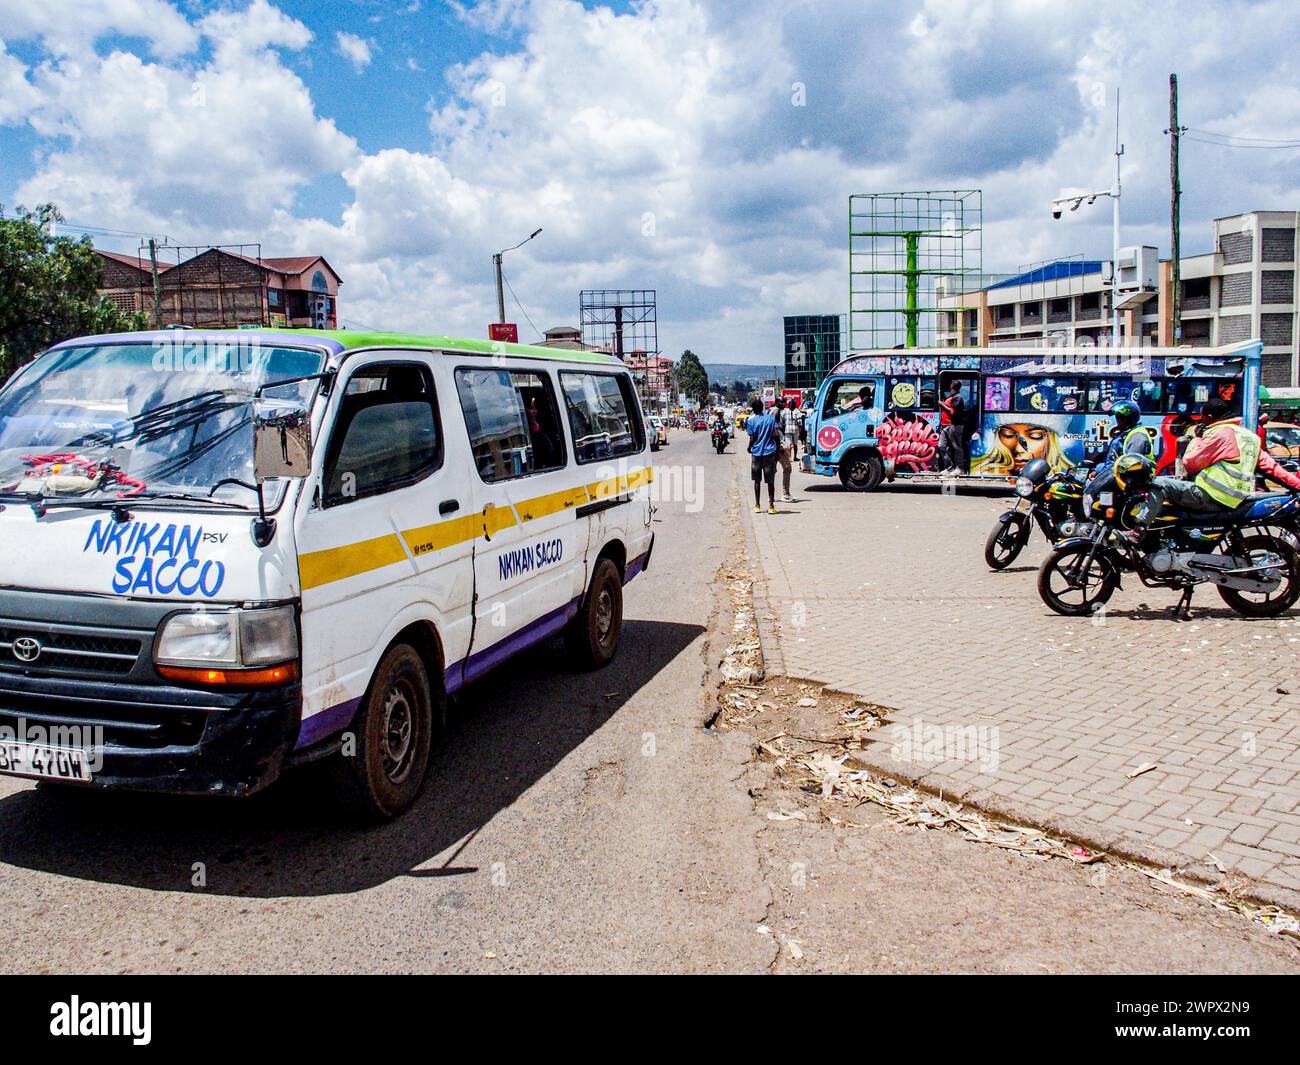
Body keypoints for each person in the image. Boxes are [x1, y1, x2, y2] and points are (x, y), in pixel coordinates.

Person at [1138, 396, 1300, 527]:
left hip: (1211, 495)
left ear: (1209, 416)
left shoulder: (1218, 433)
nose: (1200, 421)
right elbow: (1272, 469)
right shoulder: (1249, 437)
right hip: (1236, 497)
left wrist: (1197, 438)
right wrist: (1297, 486)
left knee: (1159, 483)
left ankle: (1139, 529)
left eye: (1202, 417)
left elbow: (1190, 463)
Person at [1087, 400, 1151, 487]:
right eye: (1117, 417)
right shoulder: (1124, 434)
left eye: (1121, 417)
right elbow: (1112, 461)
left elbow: (1129, 464)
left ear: (1129, 419)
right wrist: (1098, 471)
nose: (1118, 420)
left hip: (1137, 481)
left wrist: (1103, 476)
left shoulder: (1137, 437)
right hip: (1121, 477)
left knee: (1091, 490)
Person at [745, 396, 780, 514]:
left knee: (757, 481)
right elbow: (776, 435)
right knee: (770, 481)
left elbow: (752, 438)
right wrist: (778, 449)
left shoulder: (751, 421)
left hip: (756, 453)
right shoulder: (771, 418)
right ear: (763, 408)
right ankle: (771, 506)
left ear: (754, 410)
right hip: (769, 452)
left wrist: (749, 448)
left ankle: (757, 505)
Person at [936, 382, 966, 473]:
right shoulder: (951, 396)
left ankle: (959, 468)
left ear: (952, 386)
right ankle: (949, 467)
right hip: (945, 425)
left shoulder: (958, 397)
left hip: (954, 425)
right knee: (941, 446)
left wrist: (942, 404)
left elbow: (953, 411)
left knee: (956, 447)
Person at [777, 398, 800, 501]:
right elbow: (777, 427)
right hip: (780, 442)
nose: (785, 404)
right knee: (787, 468)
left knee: (793, 445)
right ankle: (785, 494)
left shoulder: (792, 411)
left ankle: (771, 496)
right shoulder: (779, 412)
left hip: (789, 432)